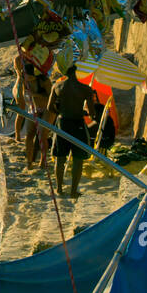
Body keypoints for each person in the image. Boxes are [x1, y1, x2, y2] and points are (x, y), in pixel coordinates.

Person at [49, 64, 93, 197]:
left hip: (62, 123)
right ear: (76, 72)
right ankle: (73, 191)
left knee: (60, 158)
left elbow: (49, 107)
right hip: (78, 123)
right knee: (78, 159)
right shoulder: (85, 89)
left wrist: (61, 111)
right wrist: (85, 111)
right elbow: (92, 112)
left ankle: (59, 189)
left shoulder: (57, 86)